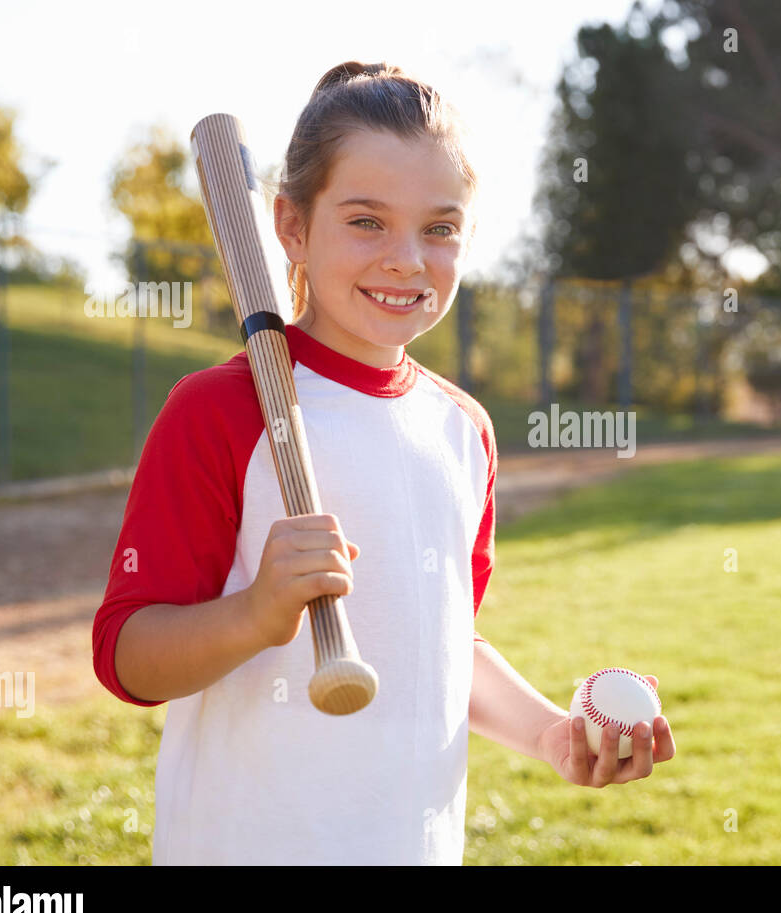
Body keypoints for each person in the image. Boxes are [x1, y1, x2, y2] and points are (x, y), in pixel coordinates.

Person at [91, 61, 675, 865]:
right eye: (366, 221)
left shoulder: (462, 430)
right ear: (291, 227)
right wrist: (257, 613)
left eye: (439, 228)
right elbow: (129, 656)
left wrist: (548, 733)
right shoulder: (221, 411)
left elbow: (445, 644)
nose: (407, 259)